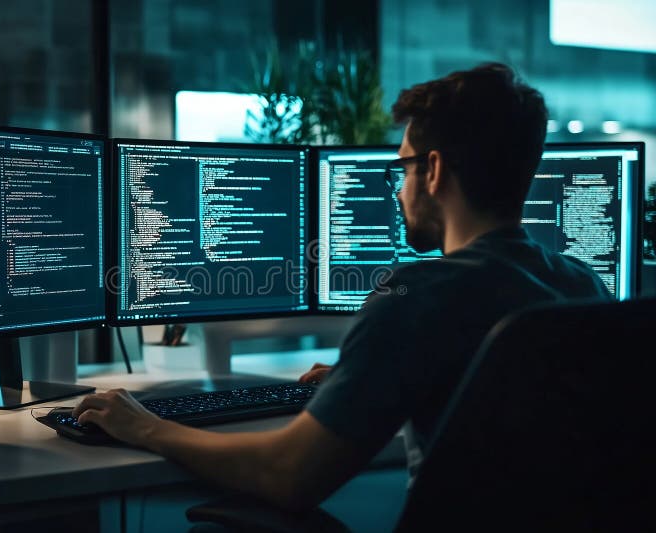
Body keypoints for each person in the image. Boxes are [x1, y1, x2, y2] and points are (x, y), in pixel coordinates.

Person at [74, 63, 611, 510]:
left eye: (401, 170)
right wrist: (371, 376)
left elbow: (289, 474)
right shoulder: (582, 287)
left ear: (433, 171)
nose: (398, 191)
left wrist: (146, 427)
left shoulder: (417, 296)